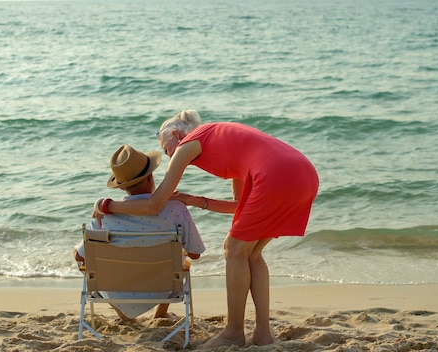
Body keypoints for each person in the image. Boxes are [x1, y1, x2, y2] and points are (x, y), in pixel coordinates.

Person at [95, 110, 319, 348]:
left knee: (233, 249)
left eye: (166, 148)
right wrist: (193, 200)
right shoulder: (224, 138)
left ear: (175, 134)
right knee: (251, 254)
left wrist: (107, 205)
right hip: (302, 174)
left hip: (275, 176)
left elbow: (153, 204)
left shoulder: (188, 144)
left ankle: (233, 332)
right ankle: (263, 333)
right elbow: (238, 206)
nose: (168, 155)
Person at [74, 143, 205, 322]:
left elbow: (80, 257)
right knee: (179, 256)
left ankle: (125, 316)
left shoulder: (105, 216)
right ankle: (161, 312)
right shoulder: (176, 209)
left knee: (90, 263)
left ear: (121, 187)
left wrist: (76, 249)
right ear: (151, 177)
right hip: (164, 288)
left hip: (117, 290)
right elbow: (194, 254)